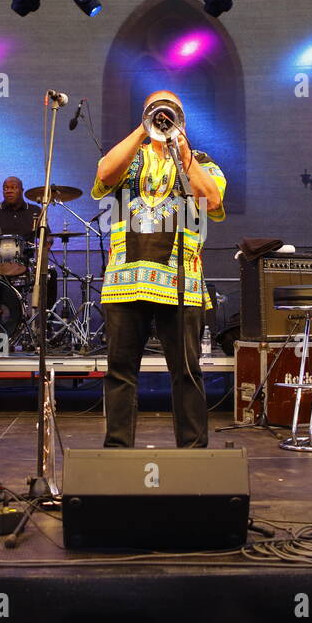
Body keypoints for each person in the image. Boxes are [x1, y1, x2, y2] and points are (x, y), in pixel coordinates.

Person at [92, 90, 225, 448]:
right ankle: (117, 450)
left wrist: (182, 150)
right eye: (156, 112)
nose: (163, 118)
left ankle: (194, 451)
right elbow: (104, 172)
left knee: (187, 372)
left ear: (183, 119)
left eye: (171, 113)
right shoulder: (130, 157)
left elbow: (211, 199)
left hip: (182, 282)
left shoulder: (201, 160)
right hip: (125, 280)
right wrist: (142, 129)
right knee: (120, 372)